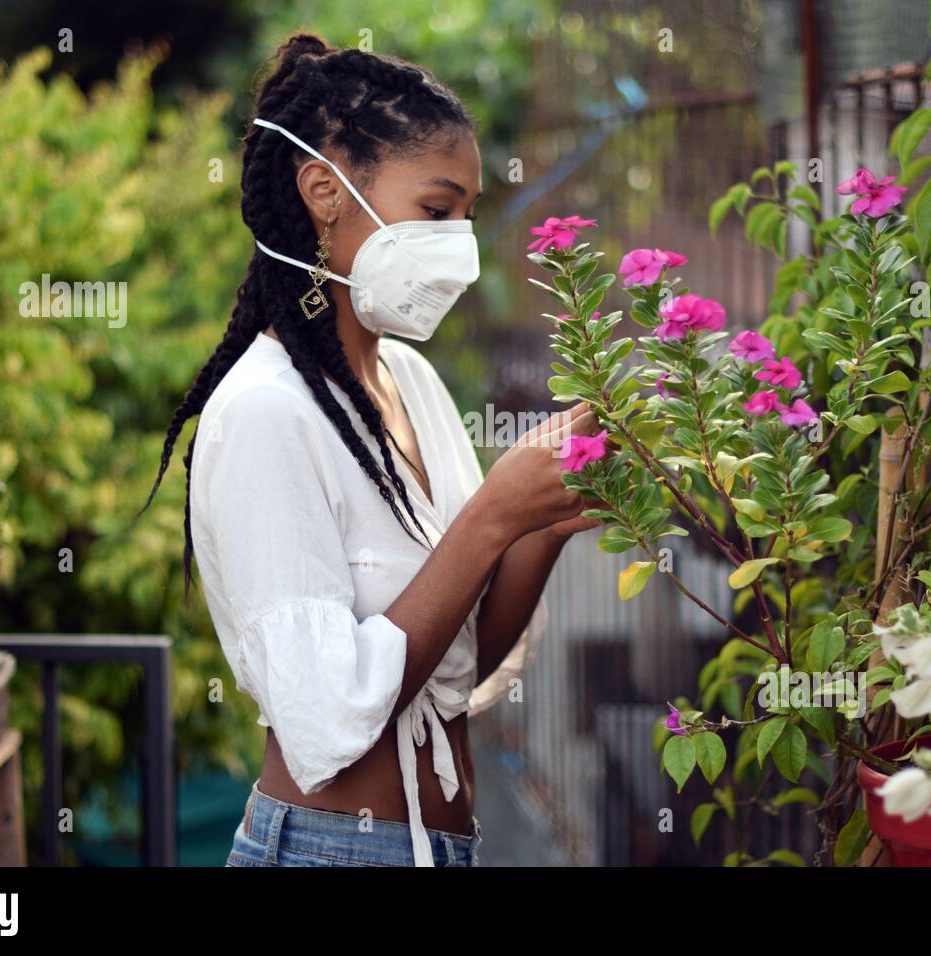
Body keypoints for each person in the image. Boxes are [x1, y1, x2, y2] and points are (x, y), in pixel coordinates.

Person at [141, 31, 603, 867]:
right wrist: (490, 516)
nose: (459, 248)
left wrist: (542, 520)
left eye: (468, 215)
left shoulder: (411, 384)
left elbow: (452, 670)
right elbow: (325, 721)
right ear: (324, 190)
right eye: (435, 210)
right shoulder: (263, 412)